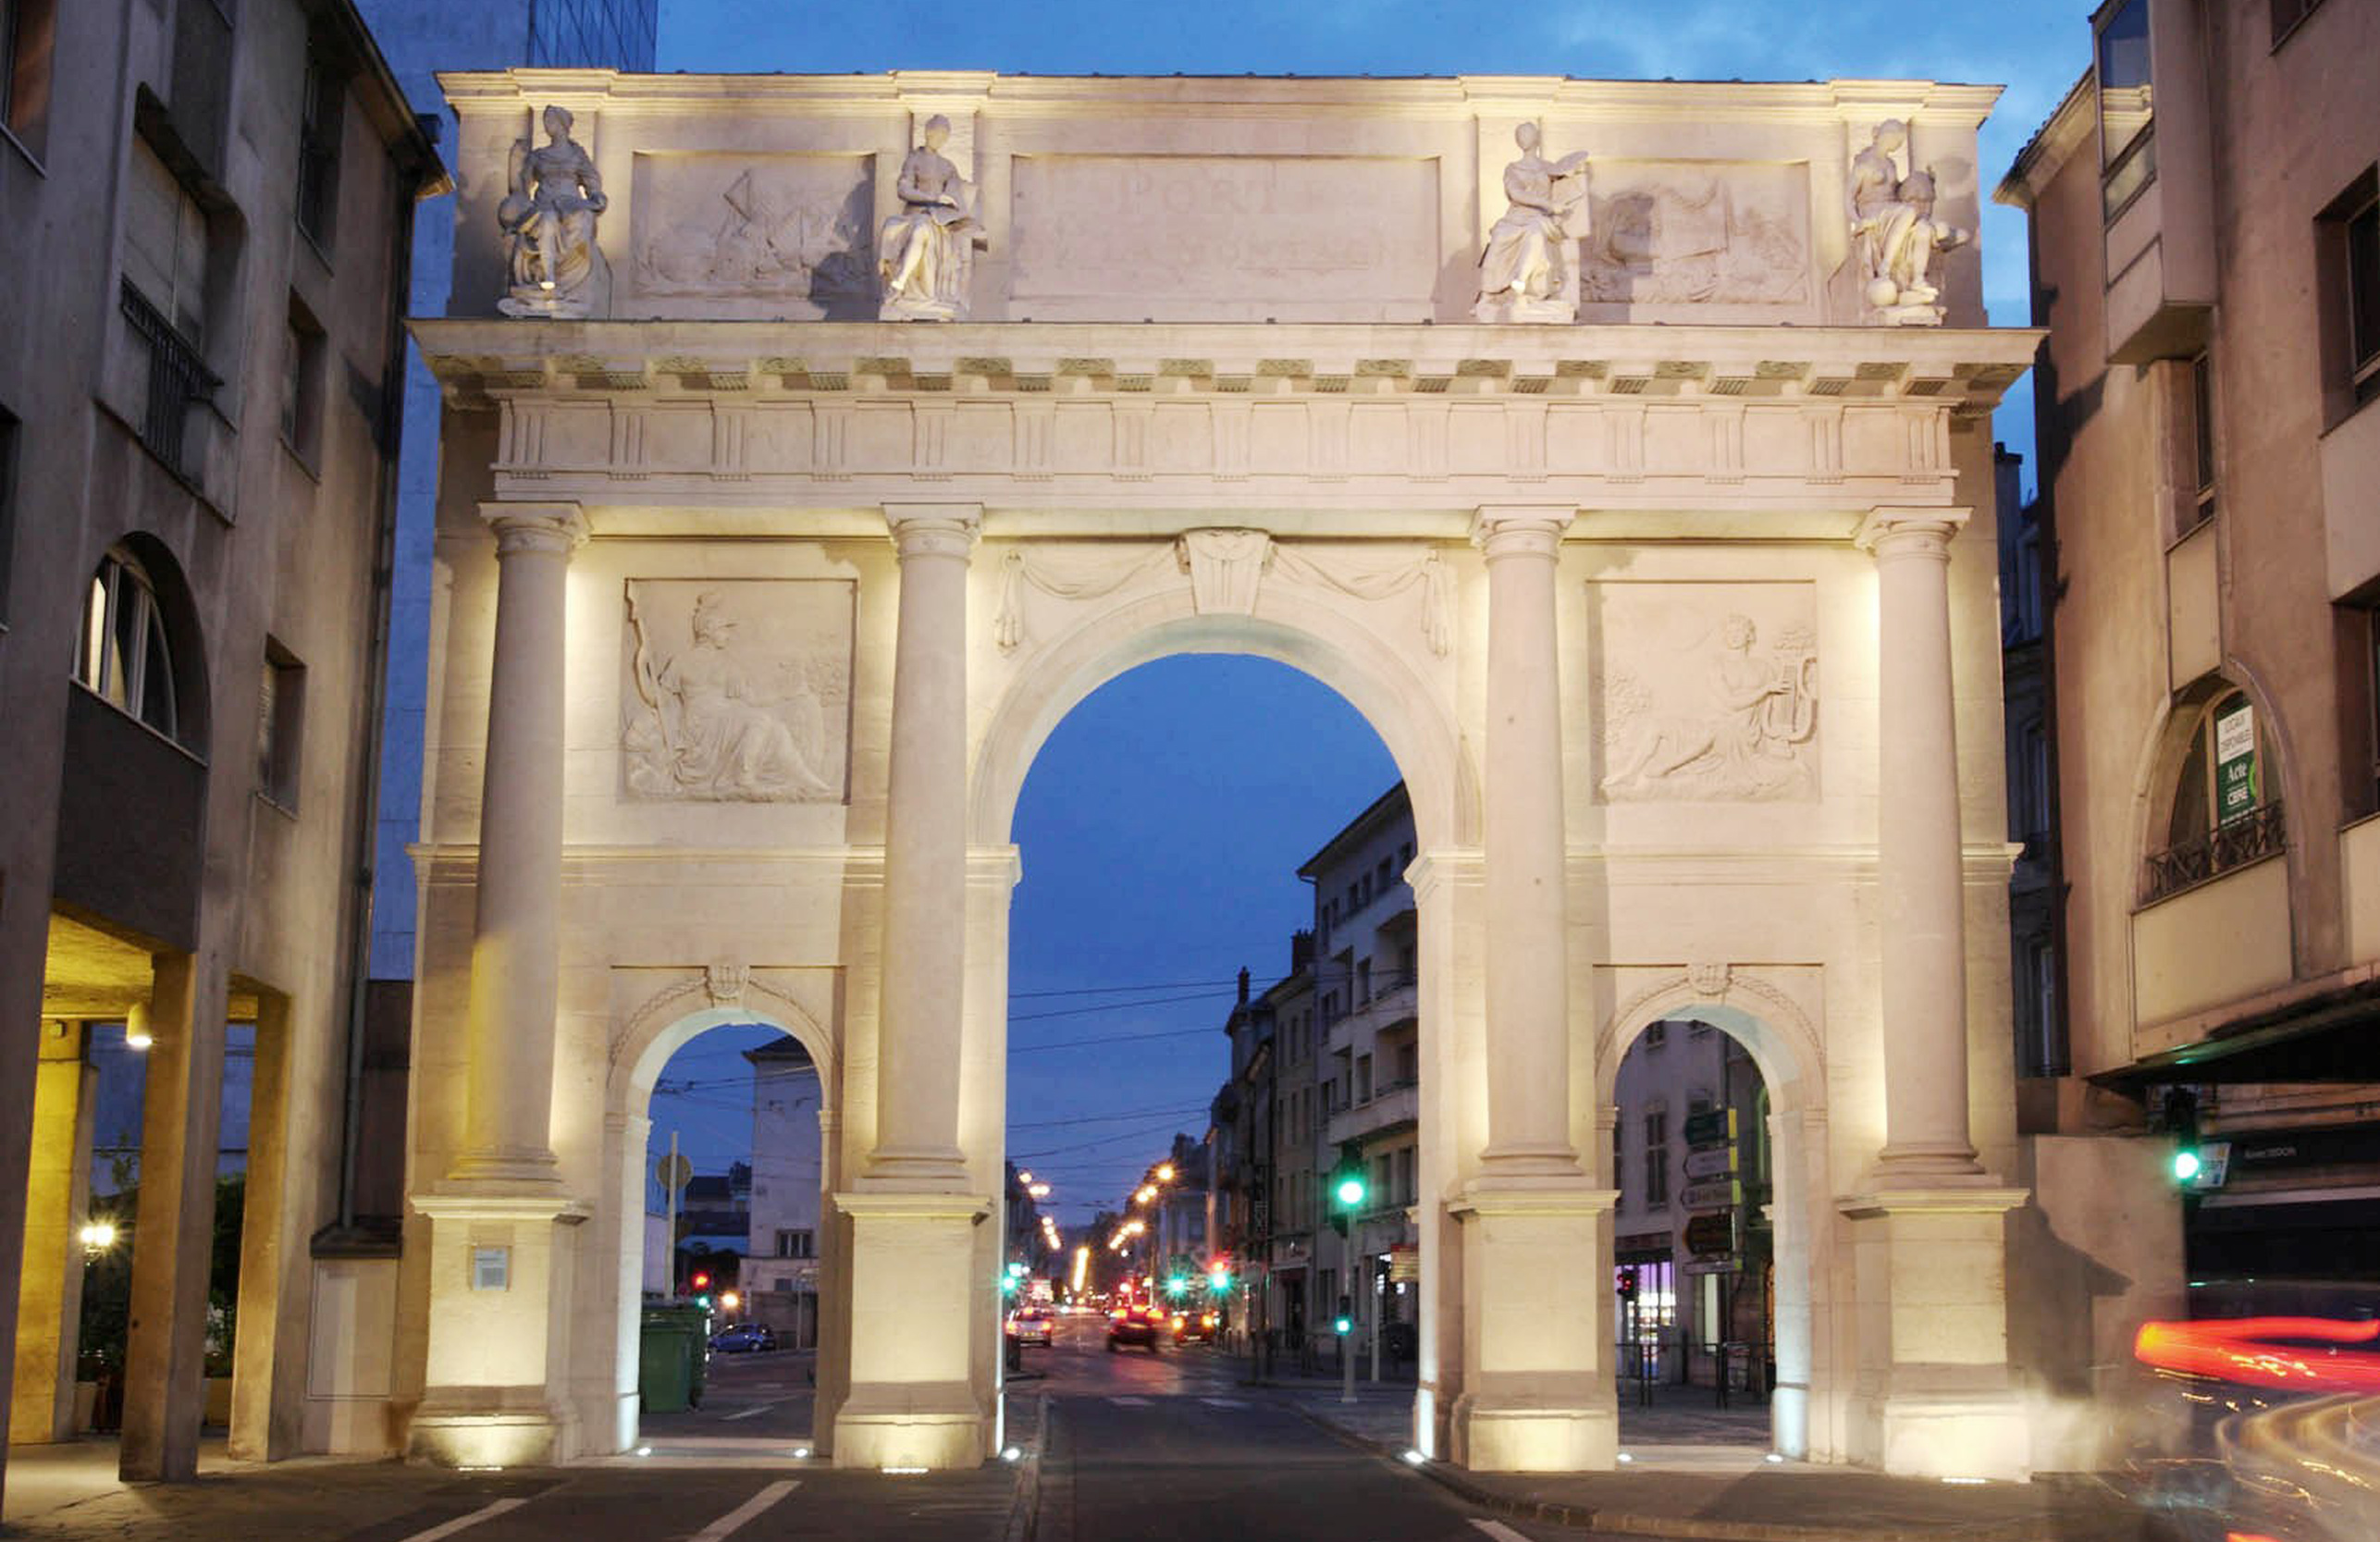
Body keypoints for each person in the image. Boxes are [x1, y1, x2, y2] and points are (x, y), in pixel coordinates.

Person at [499, 105, 607, 317]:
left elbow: (592, 183)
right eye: (545, 120)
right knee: (547, 219)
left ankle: (568, 287)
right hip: (544, 206)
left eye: (550, 120)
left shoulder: (577, 155)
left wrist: (596, 198)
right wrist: (515, 161)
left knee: (584, 218)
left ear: (562, 124)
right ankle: (548, 279)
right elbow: (520, 188)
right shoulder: (538, 156)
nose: (547, 124)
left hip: (571, 206)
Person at [1476, 122, 1593, 316]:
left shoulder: (1549, 168)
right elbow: (1516, 194)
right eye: (1520, 134)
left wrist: (1575, 174)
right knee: (1499, 237)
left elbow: (1570, 181)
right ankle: (1488, 293)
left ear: (1536, 138)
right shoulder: (1513, 168)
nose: (1524, 138)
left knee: (1536, 232)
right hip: (1516, 217)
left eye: (1528, 134)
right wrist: (1548, 204)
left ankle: (1520, 280)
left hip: (1540, 218)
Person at [879, 116, 976, 315]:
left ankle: (900, 282)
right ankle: (901, 283)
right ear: (928, 133)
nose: (940, 139)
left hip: (940, 220)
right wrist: (933, 198)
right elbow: (903, 189)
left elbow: (959, 195)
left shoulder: (948, 166)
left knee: (924, 227)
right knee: (919, 226)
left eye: (944, 136)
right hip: (915, 214)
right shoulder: (914, 159)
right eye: (937, 134)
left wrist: (958, 204)